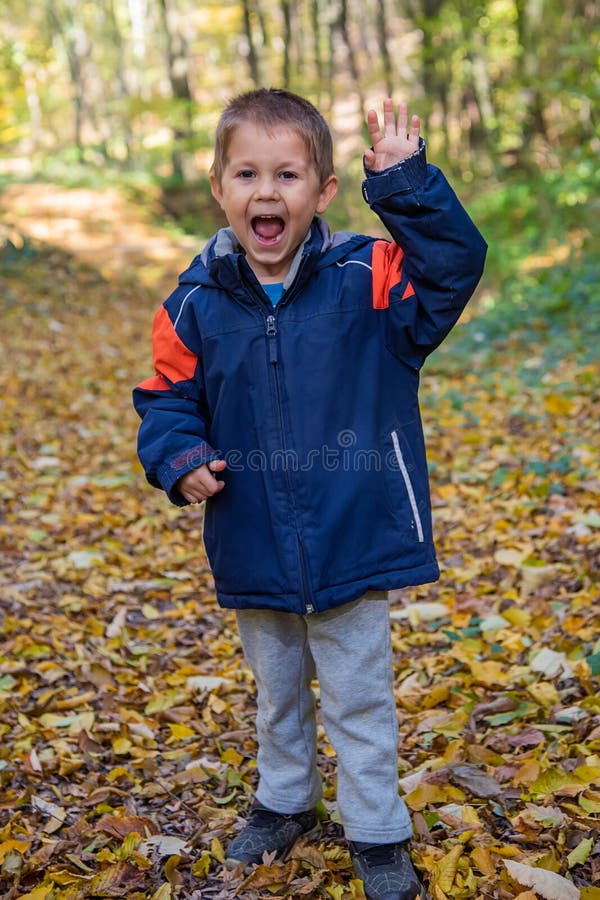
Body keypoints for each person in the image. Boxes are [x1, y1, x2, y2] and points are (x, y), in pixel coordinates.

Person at [133, 88, 486, 900]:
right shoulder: (192, 304)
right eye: (247, 173)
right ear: (219, 186)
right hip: (252, 534)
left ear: (323, 191)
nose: (267, 192)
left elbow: (454, 266)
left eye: (288, 174)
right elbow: (165, 397)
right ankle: (285, 800)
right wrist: (179, 454)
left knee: (359, 696)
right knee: (277, 689)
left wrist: (406, 185)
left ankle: (376, 830)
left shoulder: (369, 278)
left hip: (353, 533)